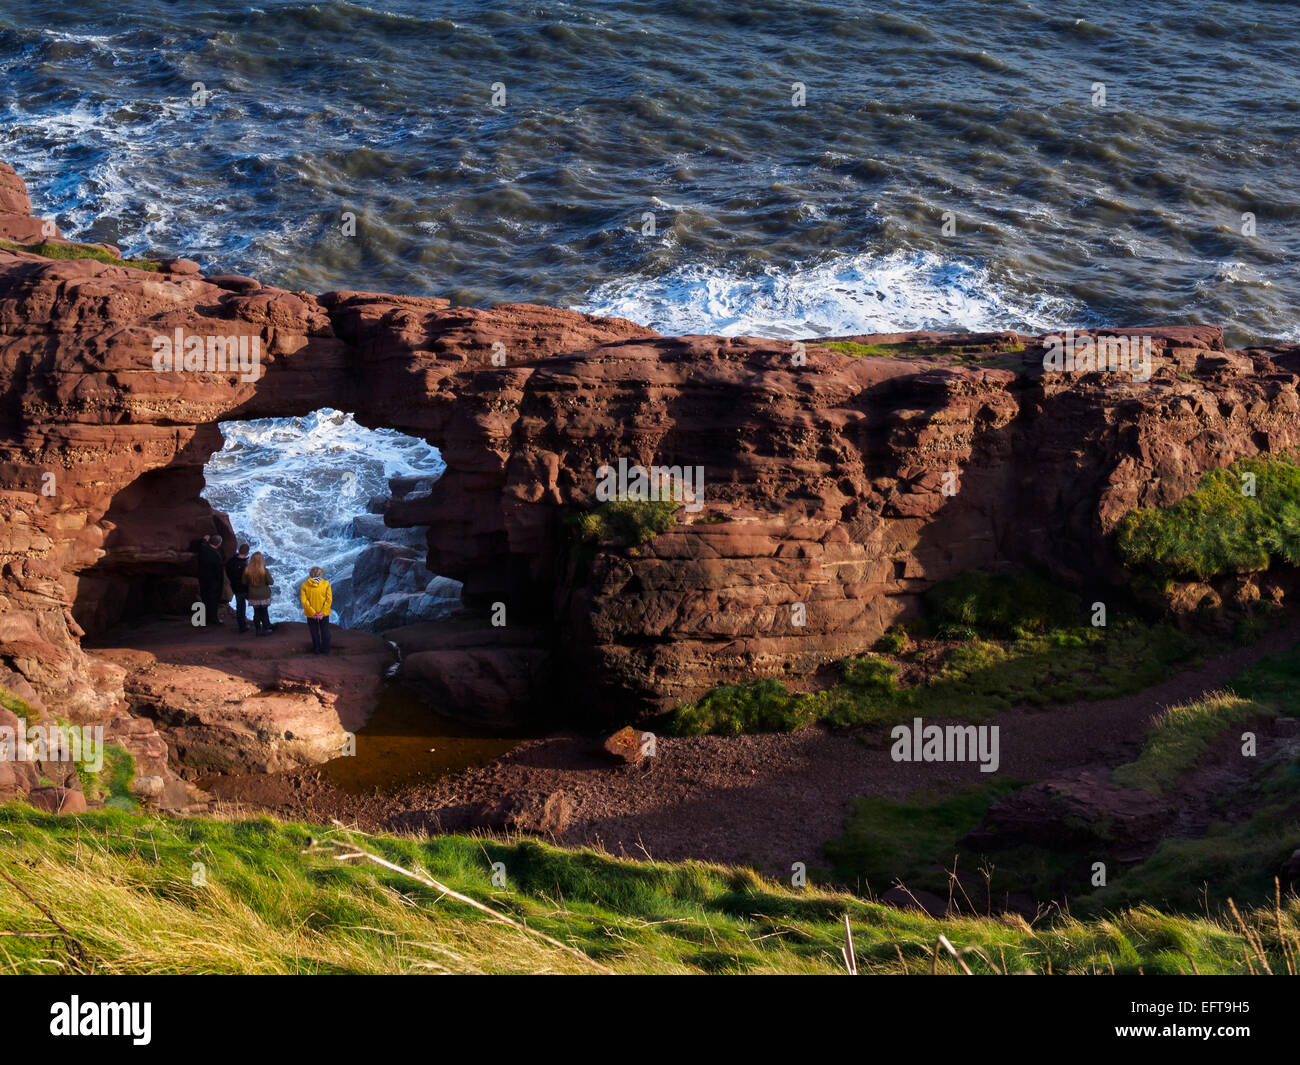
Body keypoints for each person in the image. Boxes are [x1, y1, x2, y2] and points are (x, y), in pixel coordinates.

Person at [300, 566, 332, 655]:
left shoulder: (304, 585)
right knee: (325, 630)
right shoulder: (326, 584)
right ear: (321, 574)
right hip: (323, 613)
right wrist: (322, 612)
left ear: (310, 574)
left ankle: (316, 649)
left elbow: (304, 601)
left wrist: (313, 612)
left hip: (311, 614)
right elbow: (329, 600)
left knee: (314, 631)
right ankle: (326, 650)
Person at [195, 534, 225, 627]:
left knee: (205, 598)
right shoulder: (216, 555)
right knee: (213, 601)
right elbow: (218, 571)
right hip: (213, 582)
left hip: (203, 579)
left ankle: (204, 619)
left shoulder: (203, 550)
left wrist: (204, 539)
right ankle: (214, 619)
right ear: (219, 544)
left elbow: (201, 545)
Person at [244, 552, 275, 636]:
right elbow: (271, 582)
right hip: (264, 595)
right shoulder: (264, 571)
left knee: (256, 612)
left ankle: (258, 630)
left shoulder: (247, 570)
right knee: (264, 612)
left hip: (253, 595)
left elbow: (244, 582)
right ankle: (266, 628)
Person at [225, 543, 251, 634]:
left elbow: (227, 572)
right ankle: (245, 626)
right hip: (243, 588)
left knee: (240, 606)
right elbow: (248, 578)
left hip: (235, 587)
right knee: (247, 606)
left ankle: (241, 625)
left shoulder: (231, 561)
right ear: (247, 553)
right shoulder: (244, 565)